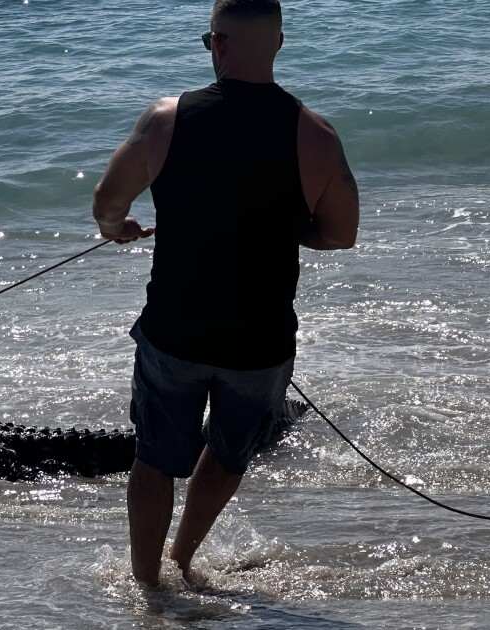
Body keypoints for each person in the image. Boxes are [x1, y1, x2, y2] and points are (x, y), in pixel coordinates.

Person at [91, 0, 360, 588]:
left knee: (156, 457)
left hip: (176, 329)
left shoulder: (165, 119)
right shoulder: (314, 132)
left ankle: (147, 586)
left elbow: (108, 201)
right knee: (229, 451)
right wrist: (292, 229)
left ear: (216, 43)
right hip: (260, 339)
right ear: (280, 43)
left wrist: (120, 229)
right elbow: (341, 234)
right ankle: (183, 559)